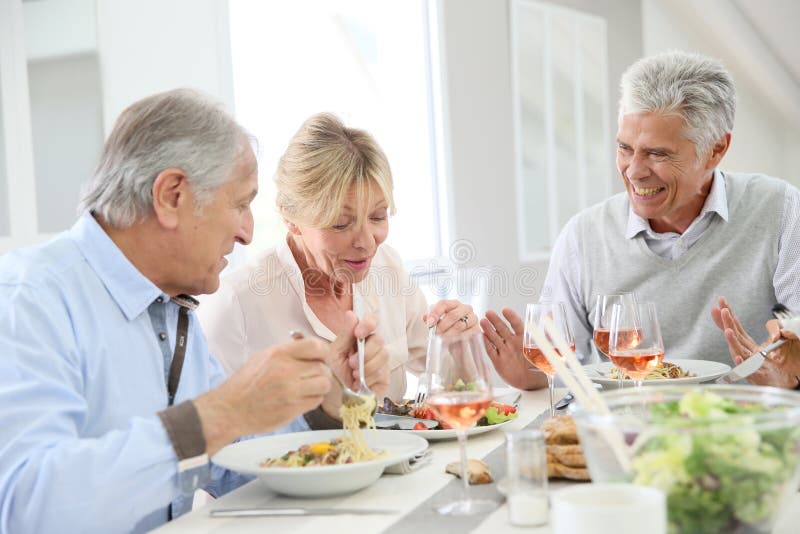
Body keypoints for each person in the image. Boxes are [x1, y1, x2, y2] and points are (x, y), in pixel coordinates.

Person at [0, 89, 388, 533]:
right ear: (172, 195)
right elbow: (26, 507)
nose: (247, 233)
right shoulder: (29, 299)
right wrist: (219, 414)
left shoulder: (170, 309)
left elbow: (240, 460)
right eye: (240, 204)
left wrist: (326, 402)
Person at [482, 50, 800, 390]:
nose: (634, 171)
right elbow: (558, 365)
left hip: (744, 432)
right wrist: (528, 372)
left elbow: (794, 345)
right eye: (624, 148)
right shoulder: (584, 235)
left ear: (716, 150)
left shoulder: (778, 209)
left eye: (657, 153)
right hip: (626, 435)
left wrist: (790, 376)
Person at [197, 112, 478, 401]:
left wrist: (461, 345)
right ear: (291, 218)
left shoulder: (388, 268)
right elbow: (217, 433)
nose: (367, 243)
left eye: (378, 217)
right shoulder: (235, 305)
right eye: (341, 224)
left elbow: (449, 383)